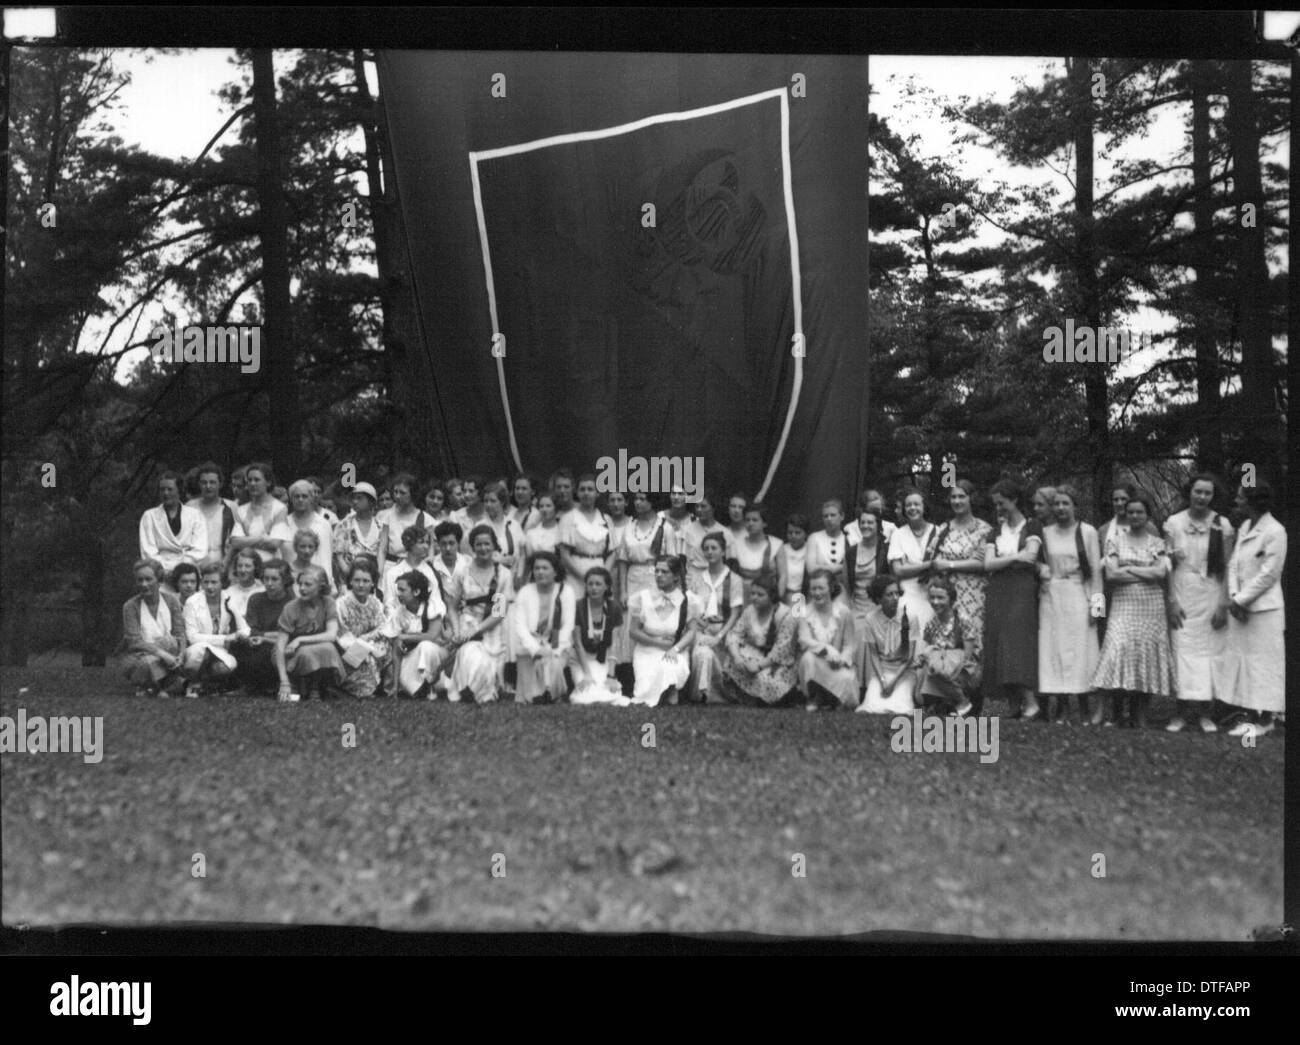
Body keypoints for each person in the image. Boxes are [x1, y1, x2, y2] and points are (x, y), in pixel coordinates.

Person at [1091, 492, 1175, 728]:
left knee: (1145, 656)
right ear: (1125, 515)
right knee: (1117, 651)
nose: (1135, 516)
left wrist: (1129, 567)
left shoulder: (1158, 543)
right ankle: (1116, 713)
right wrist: (1143, 569)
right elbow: (1111, 575)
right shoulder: (1114, 541)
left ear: (1147, 515)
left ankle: (1140, 714)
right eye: (1131, 512)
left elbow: (1160, 574)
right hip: (1124, 605)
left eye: (1140, 512)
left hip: (1151, 606)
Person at [1163, 474, 1234, 733]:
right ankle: (1180, 712)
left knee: (1209, 652)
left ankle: (1205, 712)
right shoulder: (1174, 523)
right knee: (1182, 649)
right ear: (1188, 492)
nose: (1202, 497)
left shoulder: (1222, 525)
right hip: (1182, 590)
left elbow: (1228, 567)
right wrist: (1171, 600)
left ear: (1213, 496)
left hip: (1211, 592)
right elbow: (1167, 565)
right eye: (1198, 492)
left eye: (1207, 493)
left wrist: (1223, 604)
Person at [1219, 480, 1286, 739]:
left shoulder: (1276, 531)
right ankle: (1251, 716)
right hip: (1241, 610)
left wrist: (1241, 600)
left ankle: (1266, 719)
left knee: (1265, 665)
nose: (1237, 501)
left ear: (1253, 501)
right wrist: (1234, 596)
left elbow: (1269, 575)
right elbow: (1234, 564)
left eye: (1240, 497)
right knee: (1245, 663)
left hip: (1265, 612)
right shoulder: (1246, 526)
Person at [1037, 484, 1102, 724]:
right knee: (1055, 651)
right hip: (1052, 596)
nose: (1061, 508)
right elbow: (1039, 563)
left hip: (1077, 594)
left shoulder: (1088, 532)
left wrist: (1097, 608)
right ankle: (1062, 707)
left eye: (1066, 503)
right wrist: (1042, 571)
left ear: (1075, 506)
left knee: (1080, 651)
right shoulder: (1046, 533)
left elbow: (1095, 571)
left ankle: (1084, 706)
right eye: (1057, 504)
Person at [982, 479, 1044, 719]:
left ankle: (1031, 702)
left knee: (1016, 644)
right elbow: (988, 564)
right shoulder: (994, 532)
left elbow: (1031, 557)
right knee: (998, 644)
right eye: (995, 504)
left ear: (1015, 500)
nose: (998, 508)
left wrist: (1004, 561)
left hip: (1021, 590)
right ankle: (1010, 704)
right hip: (998, 591)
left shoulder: (1033, 526)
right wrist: (1014, 558)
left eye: (1002, 503)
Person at [445, 523, 513, 703]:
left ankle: (480, 691)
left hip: (492, 630)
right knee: (469, 654)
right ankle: (466, 689)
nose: (483, 548)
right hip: (466, 626)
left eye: (487, 544)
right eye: (478, 544)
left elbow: (498, 613)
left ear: (494, 546)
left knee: (486, 663)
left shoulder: (504, 575)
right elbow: (451, 606)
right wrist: (457, 630)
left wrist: (475, 631)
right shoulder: (463, 572)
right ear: (473, 547)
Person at [717, 571, 799, 706]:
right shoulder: (750, 611)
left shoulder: (785, 616)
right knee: (731, 662)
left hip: (775, 663)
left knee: (766, 680)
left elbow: (781, 650)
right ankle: (748, 697)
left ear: (772, 596)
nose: (754, 598)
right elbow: (735, 634)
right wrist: (738, 657)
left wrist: (759, 665)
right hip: (754, 655)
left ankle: (765, 699)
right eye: (752, 594)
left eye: (760, 595)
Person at [628, 555, 700, 707]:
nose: (659, 575)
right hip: (646, 650)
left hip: (674, 650)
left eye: (665, 572)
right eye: (657, 571)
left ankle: (669, 690)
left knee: (668, 667)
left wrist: (675, 648)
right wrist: (658, 643)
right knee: (644, 689)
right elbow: (633, 631)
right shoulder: (642, 598)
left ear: (675, 576)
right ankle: (661, 694)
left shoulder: (688, 600)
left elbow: (691, 632)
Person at [931, 479, 992, 652]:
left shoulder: (983, 529)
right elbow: (936, 561)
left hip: (973, 592)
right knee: (948, 640)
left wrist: (949, 564)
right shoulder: (944, 529)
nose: (957, 501)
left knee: (972, 640)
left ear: (971, 498)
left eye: (962, 497)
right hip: (948, 594)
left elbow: (981, 564)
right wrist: (966, 562)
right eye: (953, 497)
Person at [512, 551, 575, 704]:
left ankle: (552, 692)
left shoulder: (566, 591)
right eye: (536, 568)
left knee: (552, 660)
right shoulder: (525, 592)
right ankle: (538, 693)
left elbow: (568, 625)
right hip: (531, 645)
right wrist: (536, 649)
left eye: (545, 568)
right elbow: (520, 626)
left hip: (556, 642)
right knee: (529, 697)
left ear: (555, 571)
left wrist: (553, 649)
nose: (540, 572)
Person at [275, 564, 345, 702]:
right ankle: (296, 682)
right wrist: (284, 681)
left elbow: (331, 634)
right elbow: (279, 647)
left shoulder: (328, 603)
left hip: (312, 650)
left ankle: (316, 687)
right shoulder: (291, 608)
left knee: (328, 648)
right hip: (290, 655)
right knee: (310, 652)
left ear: (321, 586)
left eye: (308, 584)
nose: (302, 588)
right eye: (300, 584)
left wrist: (300, 639)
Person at [689, 532, 745, 701]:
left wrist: (719, 636)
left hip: (725, 631)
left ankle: (720, 695)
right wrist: (699, 625)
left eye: (714, 548)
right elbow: (692, 609)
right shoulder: (697, 579)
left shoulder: (734, 579)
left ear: (722, 552)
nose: (710, 552)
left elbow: (735, 613)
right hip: (702, 629)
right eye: (706, 549)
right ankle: (701, 694)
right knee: (702, 653)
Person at [181, 561, 250, 698]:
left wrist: (240, 636)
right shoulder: (192, 602)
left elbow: (245, 628)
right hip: (196, 649)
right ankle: (193, 683)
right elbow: (192, 637)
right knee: (201, 651)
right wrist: (225, 639)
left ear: (222, 583)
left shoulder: (230, 599)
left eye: (214, 582)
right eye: (206, 582)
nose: (209, 586)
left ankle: (208, 685)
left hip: (220, 650)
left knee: (224, 668)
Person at [120, 558, 187, 697]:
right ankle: (166, 685)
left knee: (173, 645)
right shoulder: (130, 606)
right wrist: (163, 655)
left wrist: (180, 654)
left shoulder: (172, 601)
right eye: (140, 580)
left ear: (160, 581)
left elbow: (180, 633)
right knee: (148, 662)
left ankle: (151, 688)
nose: (144, 584)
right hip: (139, 657)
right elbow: (135, 642)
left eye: (148, 579)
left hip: (171, 654)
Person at [915, 574, 979, 717]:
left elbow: (968, 656)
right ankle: (941, 703)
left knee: (937, 663)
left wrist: (948, 671)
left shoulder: (962, 619)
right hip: (938, 667)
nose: (935, 602)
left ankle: (963, 700)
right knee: (930, 662)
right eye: (932, 598)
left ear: (951, 599)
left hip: (962, 668)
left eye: (941, 598)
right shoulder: (931, 624)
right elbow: (929, 649)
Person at [570, 567, 632, 706]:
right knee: (587, 690)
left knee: (609, 689)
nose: (594, 588)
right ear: (585, 586)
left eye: (598, 584)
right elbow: (578, 643)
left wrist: (611, 676)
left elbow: (615, 644)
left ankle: (609, 690)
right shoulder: (578, 606)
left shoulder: (614, 608)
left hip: (603, 658)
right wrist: (586, 674)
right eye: (590, 584)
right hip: (581, 659)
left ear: (607, 587)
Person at [797, 570, 858, 710]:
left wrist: (841, 659)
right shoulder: (803, 612)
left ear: (831, 588)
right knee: (808, 658)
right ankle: (815, 697)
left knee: (847, 679)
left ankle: (835, 700)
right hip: (817, 661)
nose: (817, 593)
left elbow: (850, 645)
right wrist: (827, 650)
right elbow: (804, 639)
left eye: (821, 588)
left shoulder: (844, 612)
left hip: (837, 664)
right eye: (813, 588)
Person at [857, 575, 917, 715]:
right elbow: (874, 654)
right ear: (879, 599)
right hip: (882, 672)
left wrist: (893, 683)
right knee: (871, 706)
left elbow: (909, 658)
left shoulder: (910, 617)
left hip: (903, 672)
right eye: (889, 594)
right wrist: (883, 681)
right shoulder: (870, 619)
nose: (895, 598)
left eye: (897, 593)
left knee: (900, 708)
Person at [234, 558, 293, 695]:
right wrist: (277, 634)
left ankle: (271, 685)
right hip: (258, 644)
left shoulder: (292, 603)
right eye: (266, 579)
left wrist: (265, 636)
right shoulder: (256, 599)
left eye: (274, 579)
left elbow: (292, 635)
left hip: (279, 646)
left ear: (284, 580)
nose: (269, 584)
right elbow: (252, 631)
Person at [387, 570, 449, 699]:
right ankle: (423, 688)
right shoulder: (399, 614)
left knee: (426, 646)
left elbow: (431, 635)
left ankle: (431, 685)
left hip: (437, 655)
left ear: (416, 592)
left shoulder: (433, 605)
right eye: (398, 589)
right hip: (412, 657)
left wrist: (405, 637)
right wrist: (395, 684)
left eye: (402, 590)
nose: (399, 594)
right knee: (404, 680)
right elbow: (396, 652)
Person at [335, 559, 392, 698]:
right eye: (357, 580)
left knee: (388, 646)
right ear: (351, 582)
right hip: (349, 653)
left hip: (369, 647)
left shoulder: (375, 603)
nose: (361, 585)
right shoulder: (342, 604)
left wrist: (367, 642)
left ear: (373, 583)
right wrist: (363, 647)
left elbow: (382, 627)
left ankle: (386, 686)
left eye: (366, 581)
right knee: (363, 668)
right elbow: (342, 636)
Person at [887, 489, 940, 634]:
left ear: (924, 507)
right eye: (908, 505)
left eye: (916, 504)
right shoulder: (898, 534)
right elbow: (898, 570)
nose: (912, 508)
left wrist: (909, 567)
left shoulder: (938, 532)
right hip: (907, 595)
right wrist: (929, 565)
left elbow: (942, 565)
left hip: (932, 595)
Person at [139, 471, 206, 581]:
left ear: (179, 490)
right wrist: (164, 570)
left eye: (170, 489)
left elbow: (200, 548)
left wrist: (180, 570)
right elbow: (148, 550)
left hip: (188, 572)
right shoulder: (149, 516)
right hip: (161, 574)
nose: (165, 493)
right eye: (162, 489)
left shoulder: (195, 515)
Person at [849, 508, 890, 686]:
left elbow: (890, 582)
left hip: (878, 606)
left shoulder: (885, 550)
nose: (865, 526)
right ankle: (856, 685)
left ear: (878, 525)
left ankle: (873, 685)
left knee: (870, 626)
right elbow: (846, 582)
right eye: (862, 522)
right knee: (857, 630)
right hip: (856, 605)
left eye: (870, 522)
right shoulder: (851, 552)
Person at [557, 474, 613, 600]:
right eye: (582, 489)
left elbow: (612, 552)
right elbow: (564, 555)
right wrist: (584, 577)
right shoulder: (568, 518)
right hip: (576, 574)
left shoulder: (606, 519)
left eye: (590, 489)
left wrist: (603, 575)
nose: (586, 493)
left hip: (600, 570)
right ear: (577, 492)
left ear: (597, 493)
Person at [229, 463, 290, 564]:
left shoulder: (279, 508)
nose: (252, 484)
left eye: (257, 480)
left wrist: (245, 540)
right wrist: (262, 539)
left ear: (268, 482)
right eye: (249, 480)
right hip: (246, 566)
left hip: (270, 565)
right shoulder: (241, 510)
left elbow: (275, 543)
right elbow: (235, 542)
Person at [282, 479, 337, 585]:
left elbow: (327, 556)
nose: (300, 499)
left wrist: (327, 583)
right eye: (296, 496)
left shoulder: (323, 525)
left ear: (312, 498)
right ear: (291, 499)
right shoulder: (284, 524)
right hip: (290, 585)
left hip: (318, 584)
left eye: (304, 496)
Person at [333, 482, 387, 581]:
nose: (355, 501)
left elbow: (382, 554)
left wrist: (376, 576)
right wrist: (351, 575)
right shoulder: (344, 525)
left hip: (374, 580)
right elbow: (339, 556)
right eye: (353, 498)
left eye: (359, 498)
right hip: (348, 580)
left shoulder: (381, 527)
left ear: (371, 501)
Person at [729, 503, 784, 600]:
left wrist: (777, 599)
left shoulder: (776, 544)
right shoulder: (736, 544)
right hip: (742, 598)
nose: (750, 523)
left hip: (767, 600)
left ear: (764, 523)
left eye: (755, 520)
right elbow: (731, 576)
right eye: (747, 520)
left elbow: (783, 577)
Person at [186, 461, 237, 565]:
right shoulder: (190, 507)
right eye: (204, 482)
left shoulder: (231, 507)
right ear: (199, 484)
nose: (208, 486)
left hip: (222, 563)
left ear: (220, 484)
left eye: (212, 482)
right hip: (194, 564)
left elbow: (236, 540)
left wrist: (226, 563)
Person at [805, 499, 853, 606]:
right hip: (817, 589)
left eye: (833, 515)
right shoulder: (814, 538)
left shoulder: (850, 539)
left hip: (841, 590)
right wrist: (839, 567)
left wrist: (822, 567)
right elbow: (811, 568)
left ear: (842, 516)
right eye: (825, 516)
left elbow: (851, 568)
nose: (829, 519)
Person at [381, 525, 439, 612]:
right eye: (421, 542)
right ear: (410, 543)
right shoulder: (393, 572)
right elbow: (389, 603)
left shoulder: (430, 572)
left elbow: (436, 601)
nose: (426, 546)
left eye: (427, 542)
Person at [682, 490, 731, 587]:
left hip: (716, 578)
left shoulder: (725, 532)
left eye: (703, 506)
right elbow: (683, 560)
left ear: (713, 508)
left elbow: (728, 561)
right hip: (694, 577)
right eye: (697, 506)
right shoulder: (687, 530)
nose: (699, 510)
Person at [377, 473, 430, 563]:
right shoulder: (385, 516)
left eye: (402, 493)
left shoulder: (426, 519)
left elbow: (429, 551)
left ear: (412, 494)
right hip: (390, 564)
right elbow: (382, 550)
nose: (397, 496)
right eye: (395, 492)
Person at [776, 514, 810, 606]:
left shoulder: (811, 549)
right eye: (790, 532)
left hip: (805, 597)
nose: (793, 536)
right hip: (784, 596)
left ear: (805, 533)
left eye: (797, 532)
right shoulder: (781, 549)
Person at [224, 548, 265, 618]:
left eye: (247, 566)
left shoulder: (263, 591)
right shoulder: (228, 592)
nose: (243, 570)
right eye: (240, 566)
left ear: (256, 568)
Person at [522, 492, 562, 562]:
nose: (544, 509)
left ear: (556, 508)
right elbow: (528, 560)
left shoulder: (562, 532)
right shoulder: (531, 533)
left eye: (548, 506)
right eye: (541, 506)